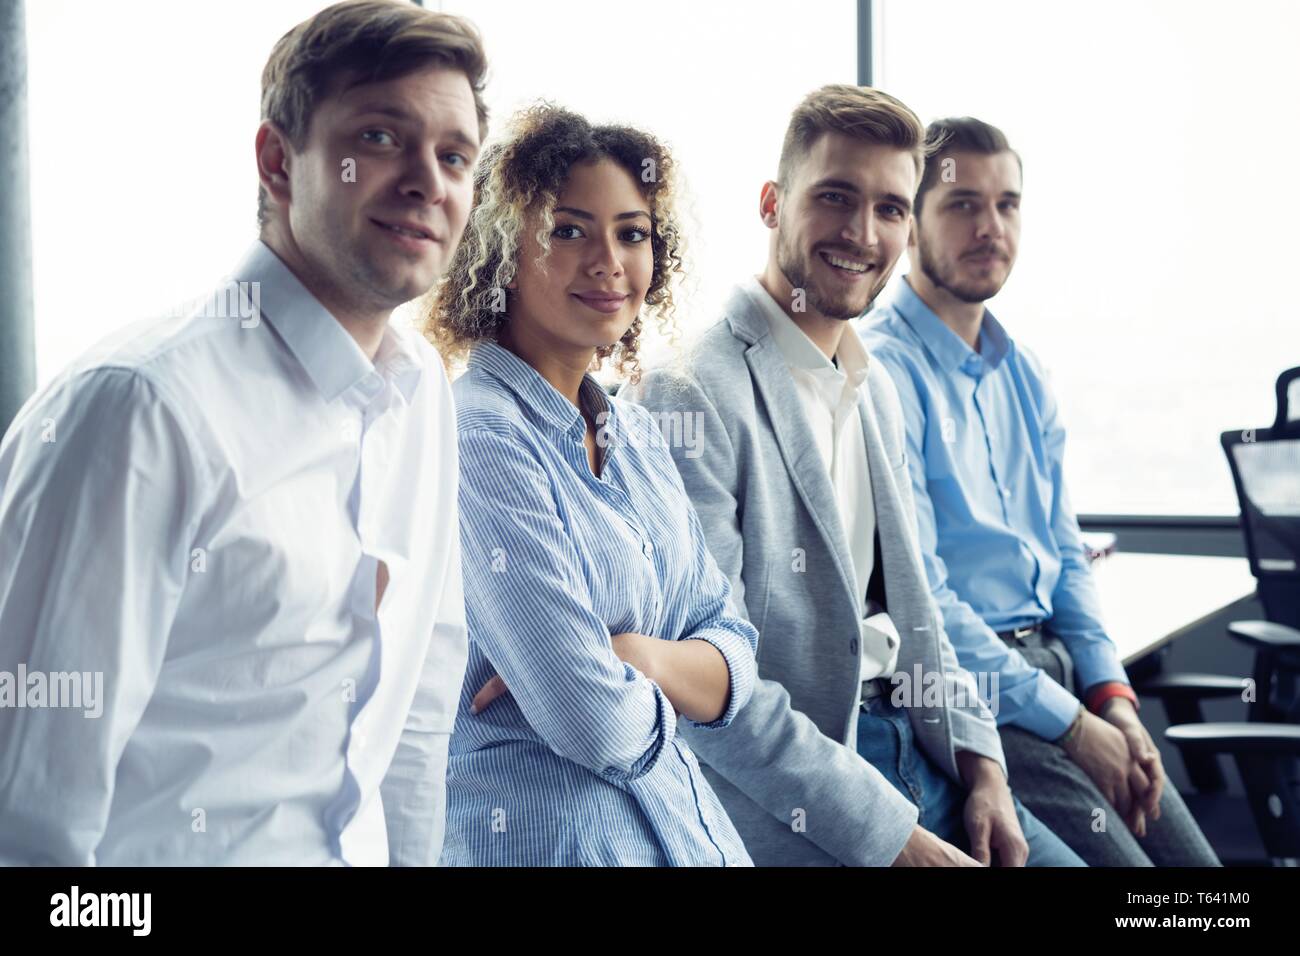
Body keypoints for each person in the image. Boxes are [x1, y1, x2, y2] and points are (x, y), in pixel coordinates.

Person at [0, 0, 486, 865]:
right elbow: (26, 818)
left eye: (454, 156)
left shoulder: (424, 402)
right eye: (380, 137)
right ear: (276, 161)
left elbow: (413, 722)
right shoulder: (139, 410)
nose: (427, 180)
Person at [628, 85, 1082, 866]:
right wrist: (895, 839)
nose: (862, 233)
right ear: (772, 203)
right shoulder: (691, 393)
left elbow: (918, 614)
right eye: (835, 197)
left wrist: (984, 769)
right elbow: (721, 696)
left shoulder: (875, 387)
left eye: (891, 208)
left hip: (924, 750)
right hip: (807, 792)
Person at [858, 116, 1219, 867]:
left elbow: (1065, 556)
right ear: (913, 224)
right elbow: (924, 604)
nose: (989, 227)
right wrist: (1072, 725)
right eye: (962, 205)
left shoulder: (1024, 375)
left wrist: (1115, 700)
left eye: (1007, 204)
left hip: (1066, 680)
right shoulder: (886, 373)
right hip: (987, 697)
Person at [426, 104, 758, 866]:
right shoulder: (480, 438)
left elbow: (736, 651)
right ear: (504, 251)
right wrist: (669, 674)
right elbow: (592, 723)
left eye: (632, 233)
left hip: (684, 831)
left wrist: (633, 657)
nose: (608, 260)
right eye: (569, 230)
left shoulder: (634, 433)